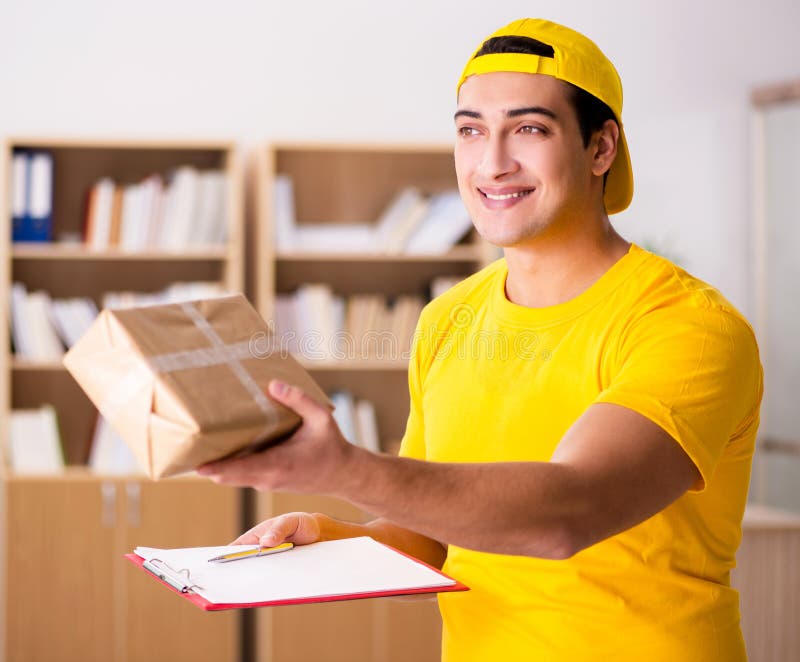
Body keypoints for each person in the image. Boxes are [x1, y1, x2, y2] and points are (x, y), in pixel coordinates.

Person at [198, 18, 762, 661]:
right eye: (470, 130)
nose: (492, 164)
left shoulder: (688, 326)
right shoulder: (448, 319)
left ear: (601, 148)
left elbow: (566, 513)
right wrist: (327, 540)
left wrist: (345, 468)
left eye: (529, 129)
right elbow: (431, 540)